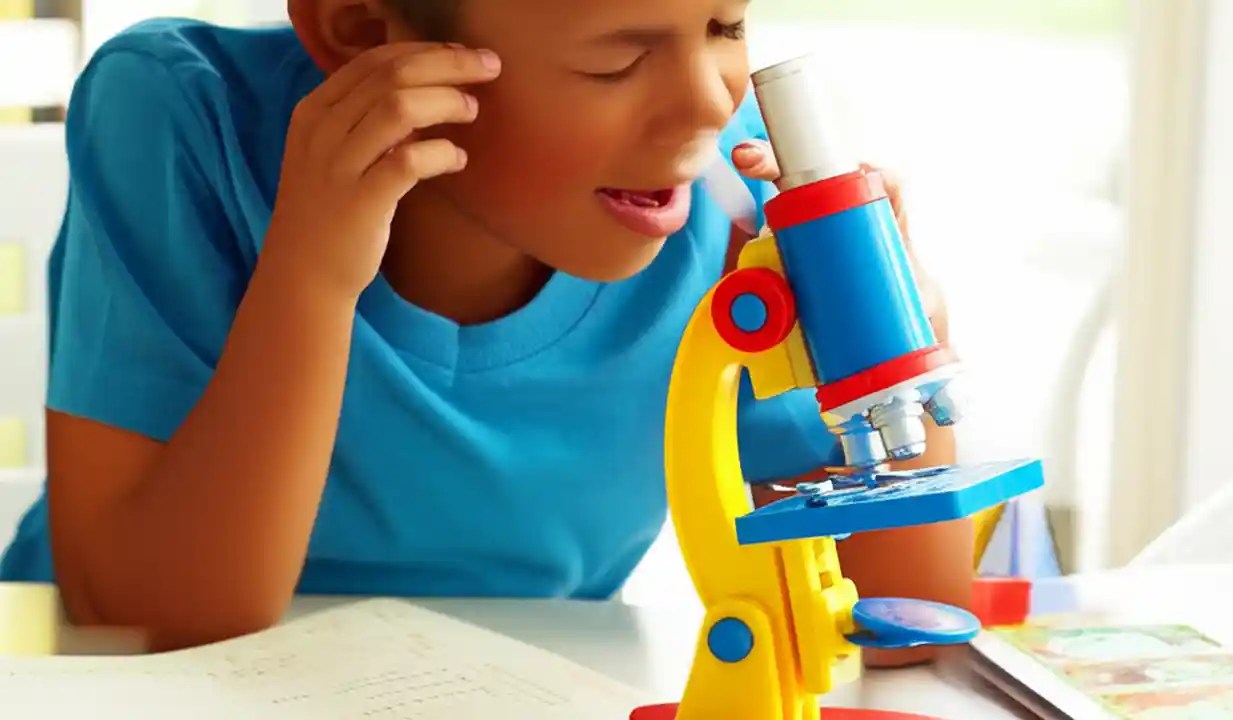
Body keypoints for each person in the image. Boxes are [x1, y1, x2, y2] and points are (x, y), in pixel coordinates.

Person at [0, 0, 971, 663]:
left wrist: (885, 329)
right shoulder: (178, 115)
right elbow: (154, 621)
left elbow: (914, 618)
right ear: (362, 29)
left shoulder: (725, 208)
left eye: (722, 23)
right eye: (617, 55)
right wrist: (310, 269)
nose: (708, 102)